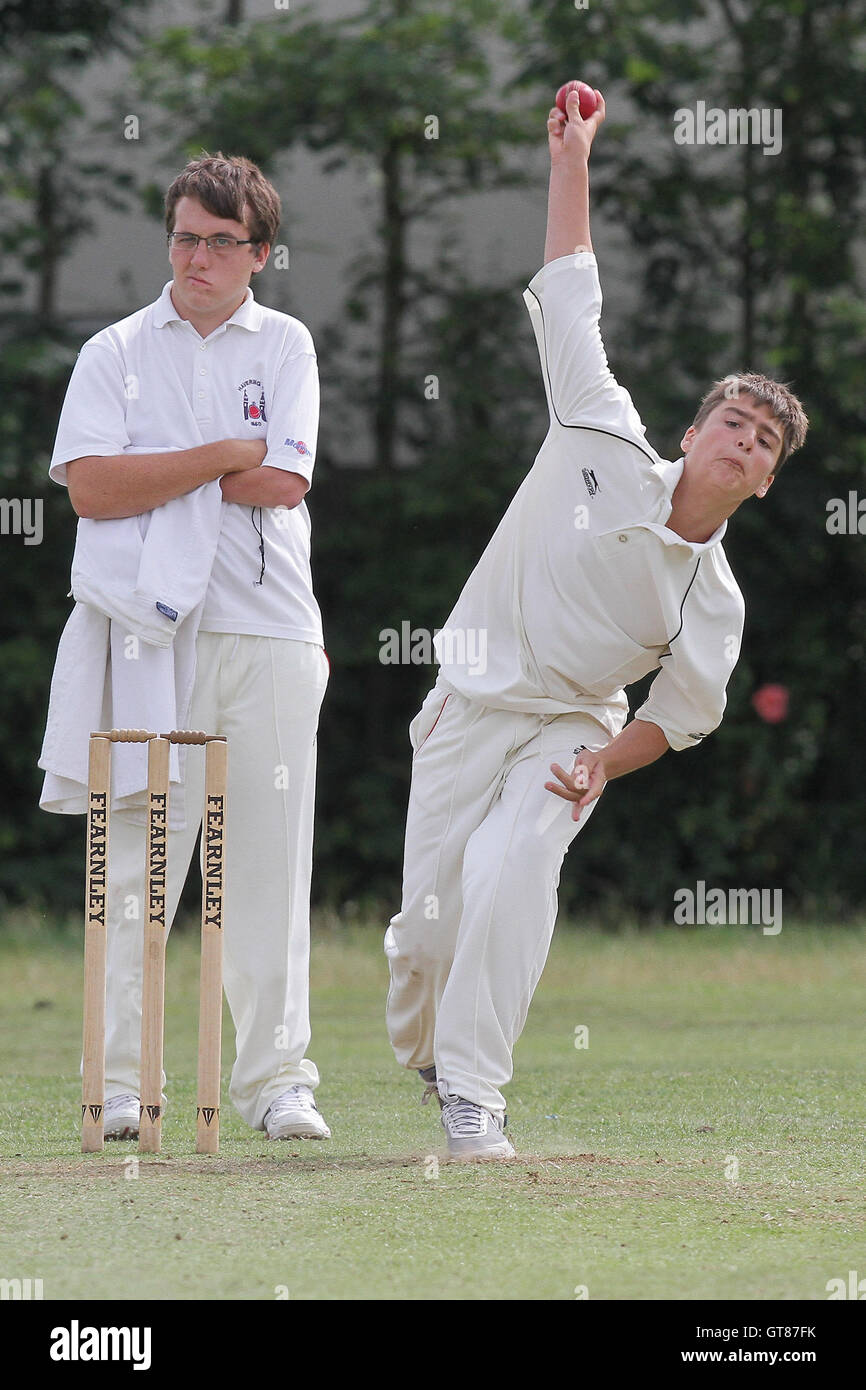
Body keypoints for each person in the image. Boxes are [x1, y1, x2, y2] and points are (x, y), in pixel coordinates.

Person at [384, 90, 808, 1160]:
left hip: (572, 725)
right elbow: (572, 290)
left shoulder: (711, 597)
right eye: (732, 421)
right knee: (424, 935)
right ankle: (434, 1054)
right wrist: (571, 158)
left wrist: (599, 768)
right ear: (692, 429)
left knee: (515, 868)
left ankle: (477, 1090)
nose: (742, 441)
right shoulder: (596, 427)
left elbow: (680, 713)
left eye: (762, 443)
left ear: (761, 482)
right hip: (469, 702)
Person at [39, 153, 331, 1143]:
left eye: (219, 241)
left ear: (258, 252)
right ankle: (121, 1082)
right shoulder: (115, 351)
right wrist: (216, 456)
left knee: (266, 863)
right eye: (184, 237)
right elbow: (89, 490)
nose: (197, 257)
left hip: (271, 625)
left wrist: (156, 472)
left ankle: (277, 1082)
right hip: (144, 634)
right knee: (132, 862)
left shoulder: (285, 344)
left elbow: (283, 483)